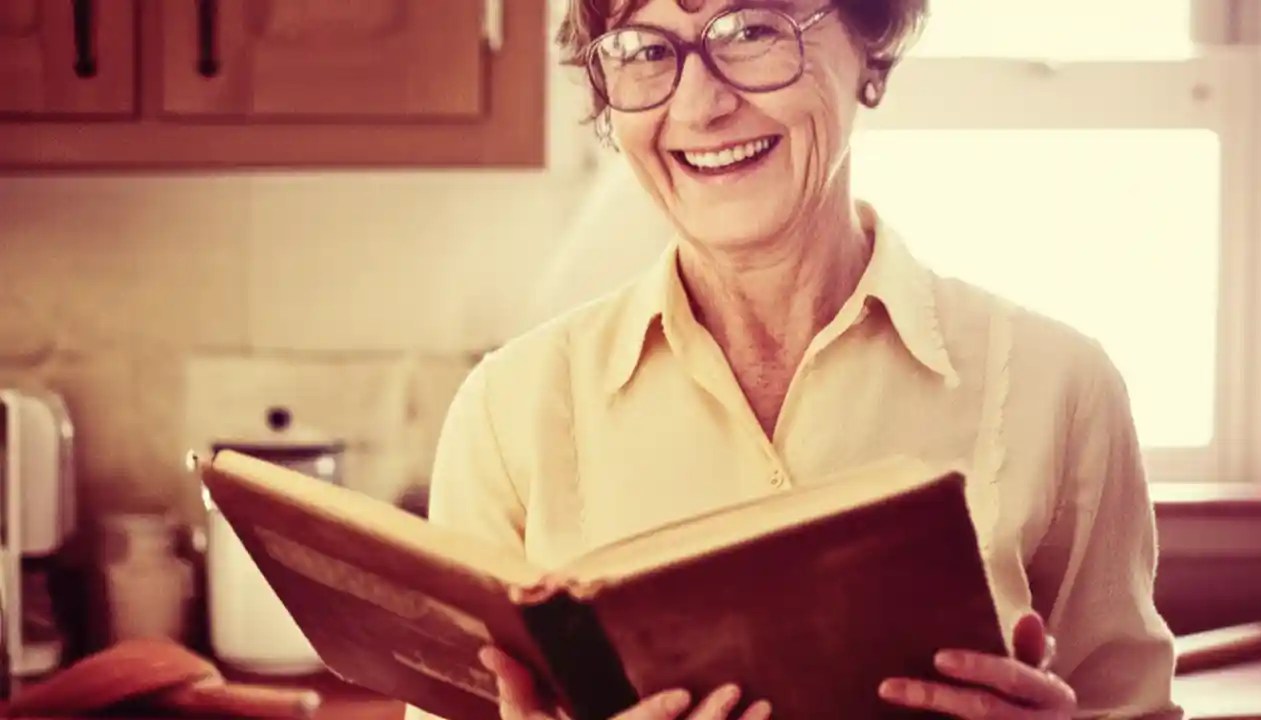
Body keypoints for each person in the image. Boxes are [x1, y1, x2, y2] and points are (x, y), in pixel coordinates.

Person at [419, 0, 1183, 718]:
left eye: (752, 30)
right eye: (646, 50)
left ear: (869, 46)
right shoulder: (505, 414)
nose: (697, 107)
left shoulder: (1063, 388)